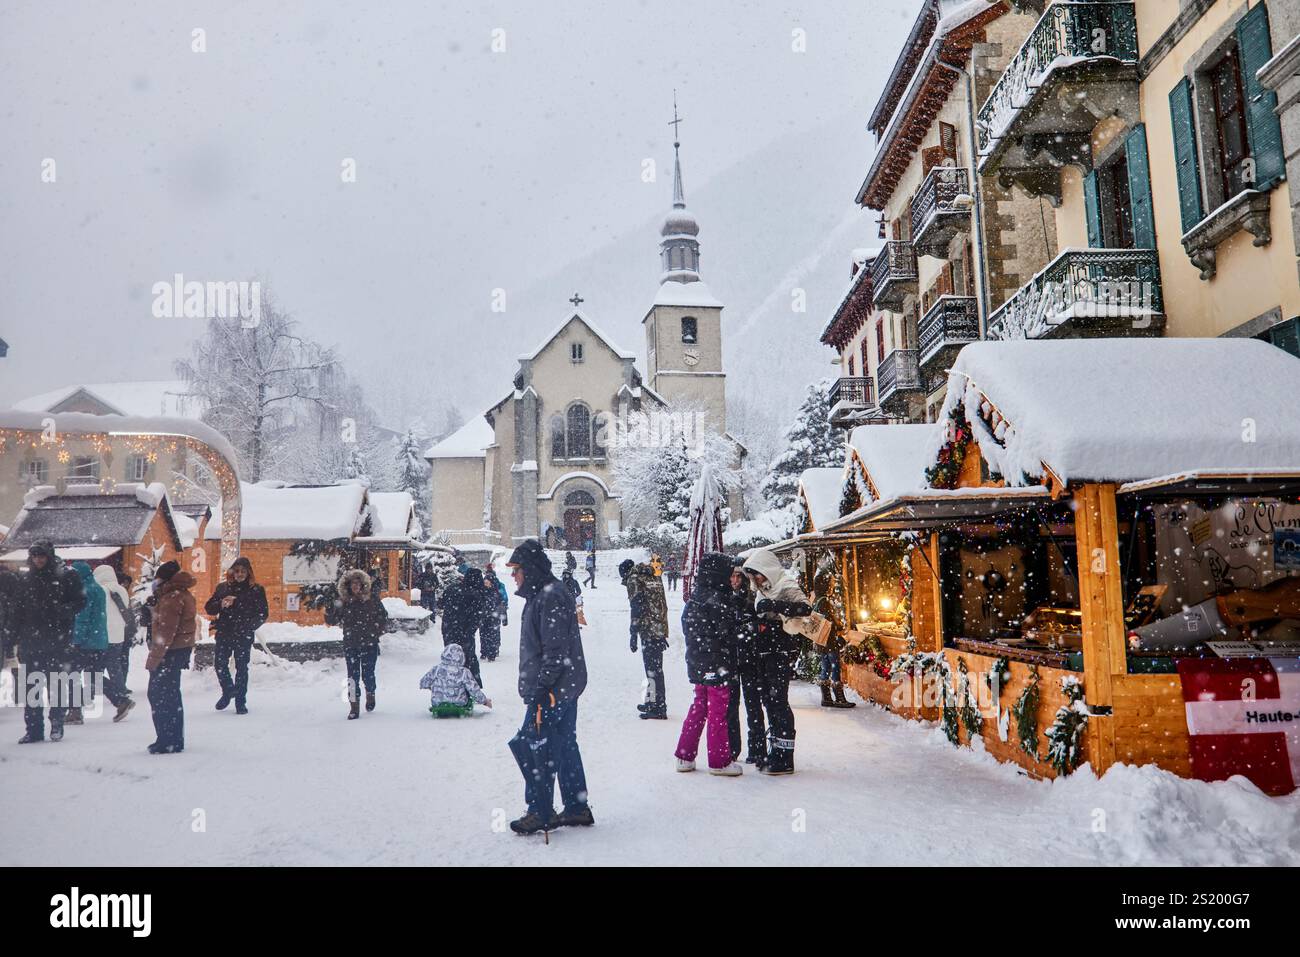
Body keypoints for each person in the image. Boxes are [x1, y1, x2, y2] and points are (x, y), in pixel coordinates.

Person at [505, 539, 592, 834]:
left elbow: (555, 652)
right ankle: (577, 807)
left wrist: (542, 688)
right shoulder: (543, 594)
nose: (513, 575)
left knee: (535, 745)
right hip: (565, 685)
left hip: (555, 688)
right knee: (564, 744)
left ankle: (539, 810)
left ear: (529, 569)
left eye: (515, 569)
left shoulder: (549, 596)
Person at [742, 547, 811, 776]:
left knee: (778, 701)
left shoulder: (784, 584)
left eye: (758, 574)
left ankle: (785, 756)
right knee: (769, 701)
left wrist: (775, 606)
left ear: (767, 570)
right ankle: (776, 751)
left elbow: (805, 608)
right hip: (764, 652)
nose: (757, 580)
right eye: (753, 577)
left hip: (780, 650)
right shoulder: (763, 590)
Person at [674, 551, 742, 776]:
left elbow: (689, 628)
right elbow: (728, 633)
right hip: (717, 662)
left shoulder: (696, 598)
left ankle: (684, 756)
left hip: (698, 662)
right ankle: (720, 761)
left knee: (699, 706)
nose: (731, 579)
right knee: (717, 712)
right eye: (728, 574)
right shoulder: (718, 600)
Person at [11, 541, 85, 743]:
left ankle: (57, 724)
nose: (38, 560)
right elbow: (17, 611)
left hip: (57, 641)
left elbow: (80, 601)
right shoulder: (26, 579)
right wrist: (13, 639)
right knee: (32, 689)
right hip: (31, 643)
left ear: (49, 555)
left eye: (41, 556)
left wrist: (62, 611)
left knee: (57, 686)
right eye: (34, 556)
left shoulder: (66, 575)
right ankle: (34, 730)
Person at [67, 561, 133, 724]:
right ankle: (121, 700)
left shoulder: (86, 590)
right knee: (95, 675)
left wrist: (76, 641)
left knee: (72, 674)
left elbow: (82, 619)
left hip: (87, 641)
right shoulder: (99, 589)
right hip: (101, 639)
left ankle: (75, 712)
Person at [203, 556, 269, 714]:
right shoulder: (223, 588)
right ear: (232, 572)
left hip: (243, 634)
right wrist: (221, 603)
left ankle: (240, 701)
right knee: (219, 665)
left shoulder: (256, 590)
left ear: (249, 573)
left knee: (242, 668)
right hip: (224, 632)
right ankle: (228, 691)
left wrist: (247, 624)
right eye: (237, 571)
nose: (239, 574)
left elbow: (262, 613)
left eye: (243, 571)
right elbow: (209, 608)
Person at [145, 561, 198, 754]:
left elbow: (165, 632)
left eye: (158, 578)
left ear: (165, 580)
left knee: (160, 695)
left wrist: (154, 659)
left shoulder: (172, 598)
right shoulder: (179, 594)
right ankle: (173, 738)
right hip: (177, 651)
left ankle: (167, 739)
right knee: (170, 695)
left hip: (169, 653)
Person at [325, 569, 389, 719]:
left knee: (368, 674)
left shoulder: (372, 599)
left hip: (369, 643)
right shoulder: (344, 601)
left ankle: (370, 693)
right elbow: (331, 620)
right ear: (347, 586)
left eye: (357, 583)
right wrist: (331, 608)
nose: (355, 586)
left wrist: (376, 631)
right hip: (351, 643)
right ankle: (354, 706)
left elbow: (383, 617)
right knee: (352, 677)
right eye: (352, 583)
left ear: (363, 585)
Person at [728, 561, 765, 765]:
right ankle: (732, 749)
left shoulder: (752, 598)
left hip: (750, 658)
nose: (734, 580)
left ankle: (757, 749)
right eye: (731, 576)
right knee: (731, 707)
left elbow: (759, 625)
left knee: (753, 704)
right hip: (732, 660)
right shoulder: (724, 599)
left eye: (738, 576)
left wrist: (748, 630)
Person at [811, 558, 856, 710]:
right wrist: (839, 627)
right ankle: (839, 698)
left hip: (821, 641)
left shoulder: (817, 599)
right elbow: (829, 621)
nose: (831, 585)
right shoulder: (824, 601)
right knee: (835, 667)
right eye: (829, 582)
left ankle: (827, 698)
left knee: (825, 668)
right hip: (830, 641)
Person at [626, 561, 669, 720]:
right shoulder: (654, 577)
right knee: (655, 669)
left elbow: (636, 607)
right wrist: (663, 630)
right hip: (658, 628)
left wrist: (633, 634)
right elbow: (662, 604)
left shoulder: (634, 579)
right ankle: (653, 702)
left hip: (648, 630)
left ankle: (658, 707)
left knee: (652, 670)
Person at [439, 568, 488, 687]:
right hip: (465, 632)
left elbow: (440, 603)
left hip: (449, 629)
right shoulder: (476, 594)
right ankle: (471, 686)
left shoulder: (452, 589)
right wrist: (470, 630)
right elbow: (478, 617)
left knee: (451, 659)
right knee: (468, 659)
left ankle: (450, 687)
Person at [419, 643, 492, 718]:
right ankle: (458, 702)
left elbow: (423, 683)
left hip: (438, 703)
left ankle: (440, 703)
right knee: (467, 694)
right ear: (461, 656)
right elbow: (474, 689)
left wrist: (433, 687)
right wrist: (485, 701)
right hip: (459, 703)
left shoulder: (436, 669)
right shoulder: (464, 672)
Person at [480, 566, 508, 662]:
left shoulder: (497, 593)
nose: (485, 583)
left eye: (487, 581)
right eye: (485, 581)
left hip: (494, 618)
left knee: (493, 634)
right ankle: (484, 651)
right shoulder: (481, 592)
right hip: (484, 617)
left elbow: (502, 605)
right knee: (483, 634)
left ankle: (492, 652)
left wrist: (504, 618)